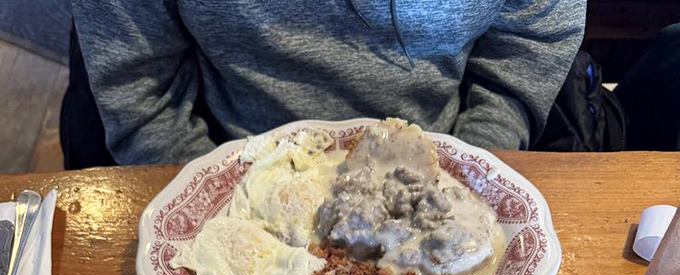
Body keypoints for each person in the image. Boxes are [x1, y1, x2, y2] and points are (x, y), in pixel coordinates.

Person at [62, 0, 586, 167]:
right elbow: (140, 89)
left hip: (446, 153)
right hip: (229, 160)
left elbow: (534, 33)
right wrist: (223, 202)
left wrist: (460, 170)